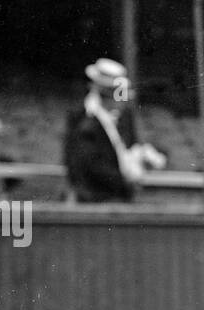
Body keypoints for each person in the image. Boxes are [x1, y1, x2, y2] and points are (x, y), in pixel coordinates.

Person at [63, 57, 166, 203]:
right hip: (98, 196)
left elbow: (128, 144)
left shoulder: (123, 115)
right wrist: (124, 179)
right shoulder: (82, 119)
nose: (122, 103)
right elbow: (83, 163)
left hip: (116, 191)